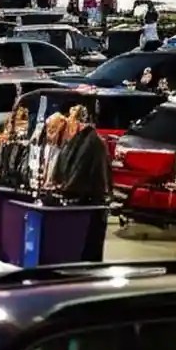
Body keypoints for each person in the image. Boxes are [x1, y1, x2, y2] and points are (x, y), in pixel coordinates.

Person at [47, 104, 112, 260]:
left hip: (89, 209)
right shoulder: (78, 142)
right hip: (86, 207)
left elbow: (79, 175)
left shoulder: (90, 143)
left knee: (87, 253)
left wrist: (62, 188)